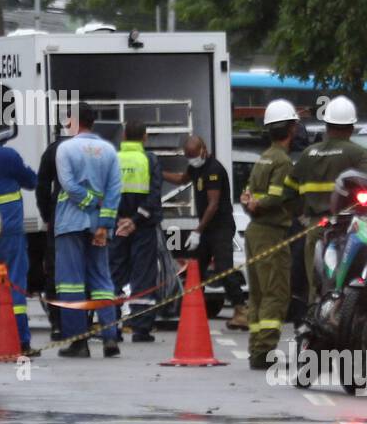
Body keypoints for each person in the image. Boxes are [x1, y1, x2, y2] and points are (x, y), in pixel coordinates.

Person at [53, 102, 123, 358]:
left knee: (71, 284)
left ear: (73, 121)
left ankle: (78, 342)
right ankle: (110, 338)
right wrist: (104, 224)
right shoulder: (109, 151)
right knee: (103, 281)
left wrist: (89, 202)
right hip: (99, 227)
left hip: (71, 223)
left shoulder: (65, 148)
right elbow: (114, 192)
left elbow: (69, 185)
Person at [288, 95, 367, 303]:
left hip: (315, 227)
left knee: (316, 285)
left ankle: (313, 321)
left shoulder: (308, 154)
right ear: (352, 127)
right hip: (349, 229)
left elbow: (289, 191)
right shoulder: (360, 154)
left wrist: (302, 215)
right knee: (346, 282)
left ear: (326, 126)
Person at [163, 135, 247, 329]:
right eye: (188, 157)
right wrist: (160, 173)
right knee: (196, 268)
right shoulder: (195, 167)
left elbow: (213, 204)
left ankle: (241, 309)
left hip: (220, 227)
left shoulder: (213, 169)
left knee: (224, 268)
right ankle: (192, 309)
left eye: (193, 156)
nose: (192, 160)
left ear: (204, 150)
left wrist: (197, 231)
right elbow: (181, 179)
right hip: (206, 228)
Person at [240, 100, 300, 367]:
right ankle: (264, 350)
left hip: (254, 231)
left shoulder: (262, 158)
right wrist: (259, 204)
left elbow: (247, 194)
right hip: (271, 232)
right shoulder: (283, 161)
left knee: (258, 293)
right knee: (275, 292)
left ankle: (256, 347)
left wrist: (251, 203)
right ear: (292, 129)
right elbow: (276, 197)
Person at [110, 121, 163, 342]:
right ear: (144, 137)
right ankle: (141, 328)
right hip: (143, 227)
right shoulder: (149, 160)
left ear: (123, 136)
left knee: (115, 273)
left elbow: (106, 192)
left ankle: (112, 327)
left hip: (117, 225)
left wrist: (120, 220)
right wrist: (136, 219)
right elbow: (154, 195)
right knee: (143, 275)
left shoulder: (113, 159)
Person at [0, 139, 39, 357]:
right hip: (10, 228)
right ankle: (21, 341)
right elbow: (32, 181)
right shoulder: (8, 156)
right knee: (14, 283)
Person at [35, 123, 67, 341]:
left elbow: (42, 187)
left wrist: (47, 216)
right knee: (93, 272)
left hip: (60, 216)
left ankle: (57, 324)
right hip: (92, 216)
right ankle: (99, 327)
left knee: (55, 271)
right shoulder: (98, 148)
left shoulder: (54, 150)